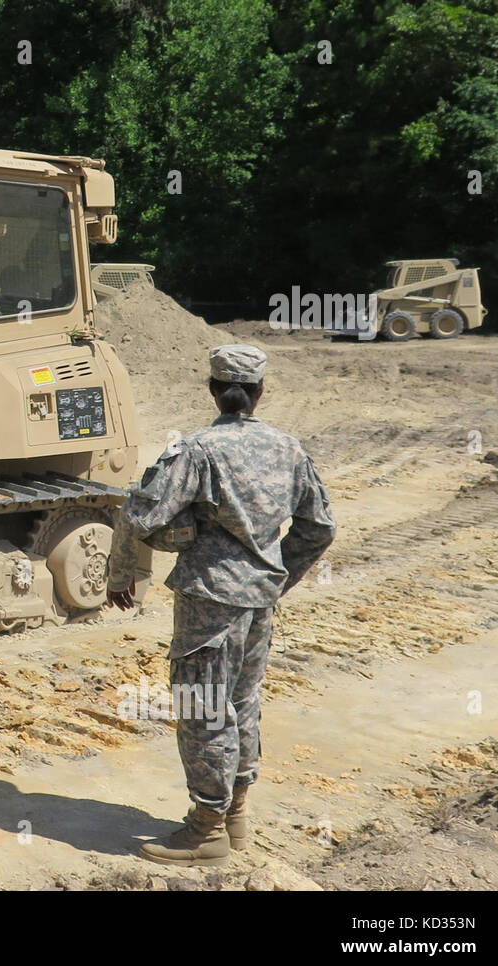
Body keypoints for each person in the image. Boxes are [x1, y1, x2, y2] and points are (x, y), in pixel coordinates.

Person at [105, 343, 336, 867]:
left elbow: (139, 516)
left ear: (212, 389)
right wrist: (277, 578)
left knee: (202, 708)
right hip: (258, 602)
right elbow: (319, 527)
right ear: (259, 393)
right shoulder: (289, 448)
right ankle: (236, 817)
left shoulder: (197, 450)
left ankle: (205, 831)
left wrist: (123, 573)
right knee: (241, 703)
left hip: (210, 599)